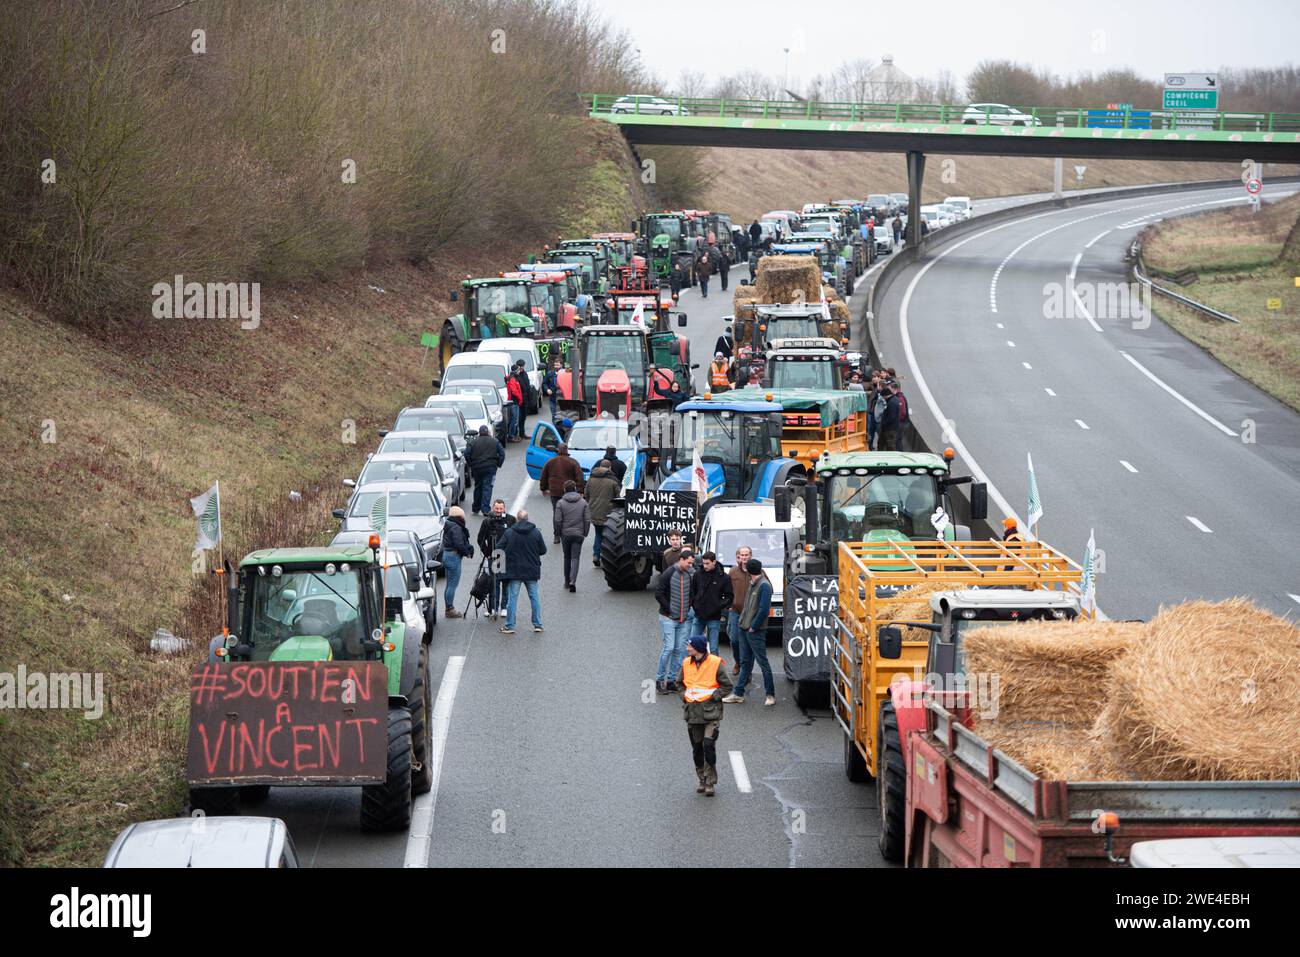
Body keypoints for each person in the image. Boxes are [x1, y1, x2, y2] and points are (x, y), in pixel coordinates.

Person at [679, 635, 734, 797]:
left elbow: (727, 686)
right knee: (697, 749)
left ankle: (710, 781)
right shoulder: (686, 663)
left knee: (708, 746)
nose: (687, 648)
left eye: (690, 646)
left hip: (711, 714)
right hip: (693, 714)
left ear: (698, 648)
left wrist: (714, 697)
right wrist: (684, 697)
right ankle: (701, 779)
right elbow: (679, 683)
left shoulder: (715, 663)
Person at [723, 558, 776, 706]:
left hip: (755, 631)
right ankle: (738, 693)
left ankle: (770, 694)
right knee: (745, 661)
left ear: (749, 571)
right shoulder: (754, 583)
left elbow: (764, 609)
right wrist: (743, 624)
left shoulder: (764, 585)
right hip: (744, 627)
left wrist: (753, 626)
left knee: (762, 662)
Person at [498, 509, 546, 635]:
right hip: (532, 570)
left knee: (512, 599)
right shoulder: (536, 532)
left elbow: (499, 547)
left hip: (515, 570)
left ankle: (510, 625)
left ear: (517, 519)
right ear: (528, 519)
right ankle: (538, 624)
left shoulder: (509, 532)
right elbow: (543, 550)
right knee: (534, 597)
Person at [655, 549, 696, 694]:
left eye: (692, 563)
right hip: (668, 618)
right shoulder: (669, 573)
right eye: (689, 563)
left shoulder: (690, 574)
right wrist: (669, 609)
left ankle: (671, 680)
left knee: (679, 649)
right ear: (682, 560)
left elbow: (691, 593)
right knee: (669, 648)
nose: (691, 566)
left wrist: (690, 605)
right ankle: (659, 680)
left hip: (683, 618)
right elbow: (658, 593)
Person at [477, 498, 516, 619]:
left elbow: (515, 538)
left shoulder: (511, 520)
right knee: (494, 583)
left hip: (506, 556)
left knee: (506, 582)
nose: (498, 511)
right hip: (493, 555)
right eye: (496, 508)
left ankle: (504, 607)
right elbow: (480, 539)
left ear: (504, 508)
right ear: (493, 508)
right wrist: (487, 553)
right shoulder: (487, 521)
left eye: (501, 509)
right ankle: (493, 606)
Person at [690, 551, 733, 655]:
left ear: (714, 562)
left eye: (707, 563)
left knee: (713, 649)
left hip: (714, 616)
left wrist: (717, 607)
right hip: (699, 615)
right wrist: (695, 605)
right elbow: (692, 592)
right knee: (692, 645)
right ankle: (694, 669)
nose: (705, 566)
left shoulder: (724, 577)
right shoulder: (698, 574)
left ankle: (715, 670)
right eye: (703, 563)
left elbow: (729, 597)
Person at [539, 442, 583, 543]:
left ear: (558, 450)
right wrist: (580, 490)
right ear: (567, 451)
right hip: (569, 492)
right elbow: (579, 477)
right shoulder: (573, 462)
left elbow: (544, 476)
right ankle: (568, 533)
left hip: (555, 492)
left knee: (557, 513)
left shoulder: (550, 462)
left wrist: (543, 488)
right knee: (570, 513)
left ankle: (557, 535)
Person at [554, 480, 590, 591]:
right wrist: (585, 532)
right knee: (575, 558)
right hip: (578, 534)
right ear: (575, 489)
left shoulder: (560, 503)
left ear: (564, 489)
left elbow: (558, 520)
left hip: (565, 534)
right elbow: (587, 519)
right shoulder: (583, 502)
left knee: (567, 557)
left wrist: (558, 533)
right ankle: (573, 580)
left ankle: (566, 581)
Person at [439, 505, 474, 618]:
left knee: (449, 584)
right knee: (452, 584)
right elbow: (459, 543)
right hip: (453, 556)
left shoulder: (449, 524)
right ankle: (450, 609)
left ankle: (448, 607)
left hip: (448, 555)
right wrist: (467, 553)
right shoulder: (456, 527)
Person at [585, 459, 620, 566]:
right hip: (609, 513)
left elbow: (586, 494)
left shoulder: (591, 479)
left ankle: (596, 555)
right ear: (609, 468)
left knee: (598, 534)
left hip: (594, 511)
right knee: (608, 536)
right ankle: (606, 557)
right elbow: (618, 497)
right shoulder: (613, 481)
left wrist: (591, 504)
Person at [466, 424, 505, 515]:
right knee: (487, 487)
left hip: (477, 468)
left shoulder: (474, 442)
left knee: (478, 486)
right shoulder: (494, 441)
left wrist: (471, 464)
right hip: (490, 468)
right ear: (488, 432)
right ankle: (485, 509)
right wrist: (498, 464)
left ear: (479, 433)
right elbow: (502, 453)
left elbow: (467, 454)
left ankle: (476, 507)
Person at [726, 546, 752, 673]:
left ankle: (746, 668)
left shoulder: (757, 571)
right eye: (742, 555)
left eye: (747, 554)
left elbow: (768, 588)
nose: (745, 557)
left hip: (750, 614)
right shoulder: (733, 571)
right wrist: (729, 604)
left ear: (750, 556)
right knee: (734, 640)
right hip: (735, 612)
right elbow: (727, 589)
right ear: (738, 557)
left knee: (748, 642)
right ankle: (738, 662)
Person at [505, 371, 524, 442]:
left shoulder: (512, 379)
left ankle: (513, 435)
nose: (519, 372)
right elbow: (514, 391)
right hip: (514, 402)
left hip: (513, 402)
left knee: (513, 419)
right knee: (514, 420)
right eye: (518, 370)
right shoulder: (512, 380)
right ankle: (511, 436)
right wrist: (520, 398)